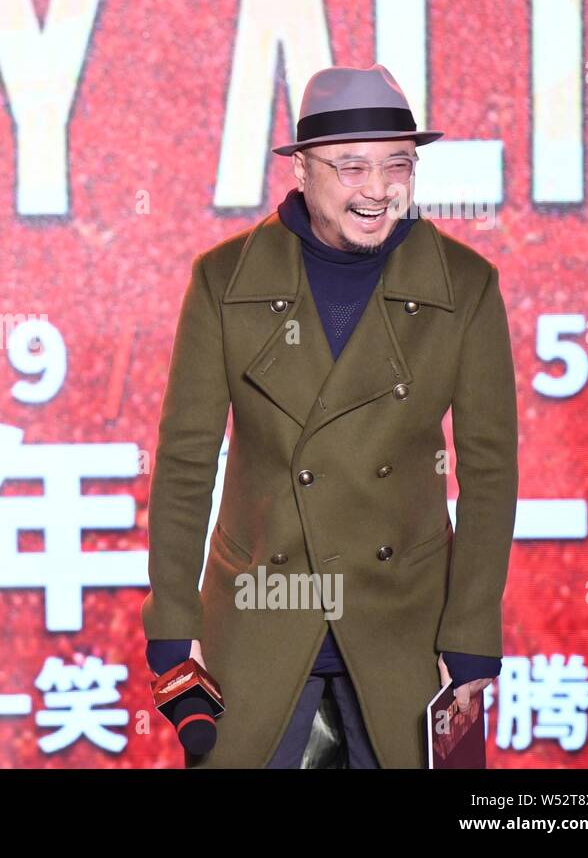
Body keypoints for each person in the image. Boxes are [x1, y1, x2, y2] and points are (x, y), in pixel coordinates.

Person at [142, 64, 518, 768]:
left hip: (407, 627)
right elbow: (187, 460)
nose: (377, 189)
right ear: (303, 170)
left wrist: (471, 632)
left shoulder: (464, 287)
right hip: (258, 612)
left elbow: (490, 473)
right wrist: (171, 617)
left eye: (397, 164)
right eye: (351, 167)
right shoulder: (225, 281)